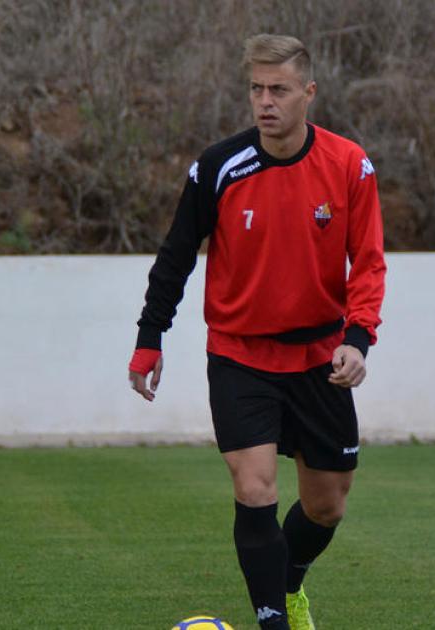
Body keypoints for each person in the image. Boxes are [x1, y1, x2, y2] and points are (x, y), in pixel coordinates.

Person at [128, 33, 386, 630]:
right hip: (240, 355)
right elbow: (176, 256)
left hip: (321, 358)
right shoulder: (218, 167)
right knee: (254, 489)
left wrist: (358, 338)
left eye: (279, 90)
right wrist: (149, 336)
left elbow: (369, 263)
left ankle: (288, 586)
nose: (265, 101)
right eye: (256, 89)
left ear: (308, 93)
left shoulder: (349, 165)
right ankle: (274, 623)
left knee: (327, 504)